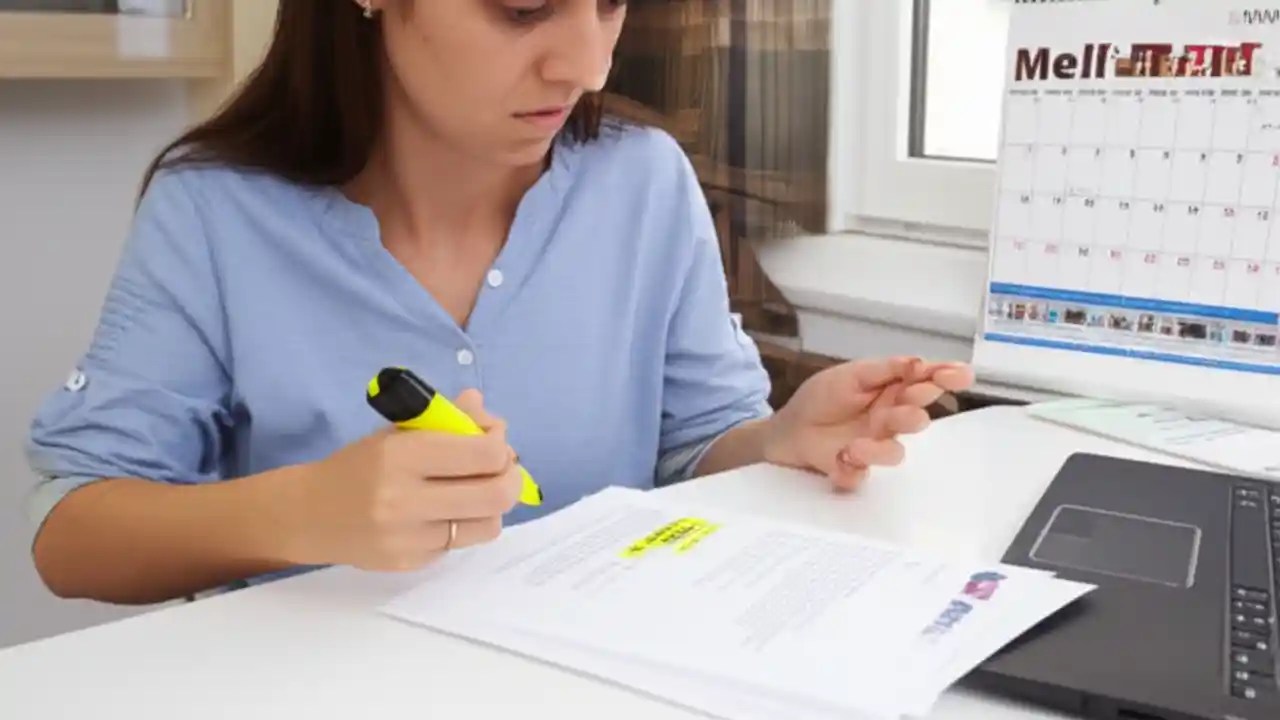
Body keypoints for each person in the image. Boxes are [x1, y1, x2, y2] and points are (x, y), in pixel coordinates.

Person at [23, 0, 974, 605]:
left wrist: (774, 441)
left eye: (608, 4)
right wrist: (300, 514)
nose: (589, 66)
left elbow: (698, 441)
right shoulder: (214, 212)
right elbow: (70, 536)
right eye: (523, 11)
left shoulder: (644, 183)